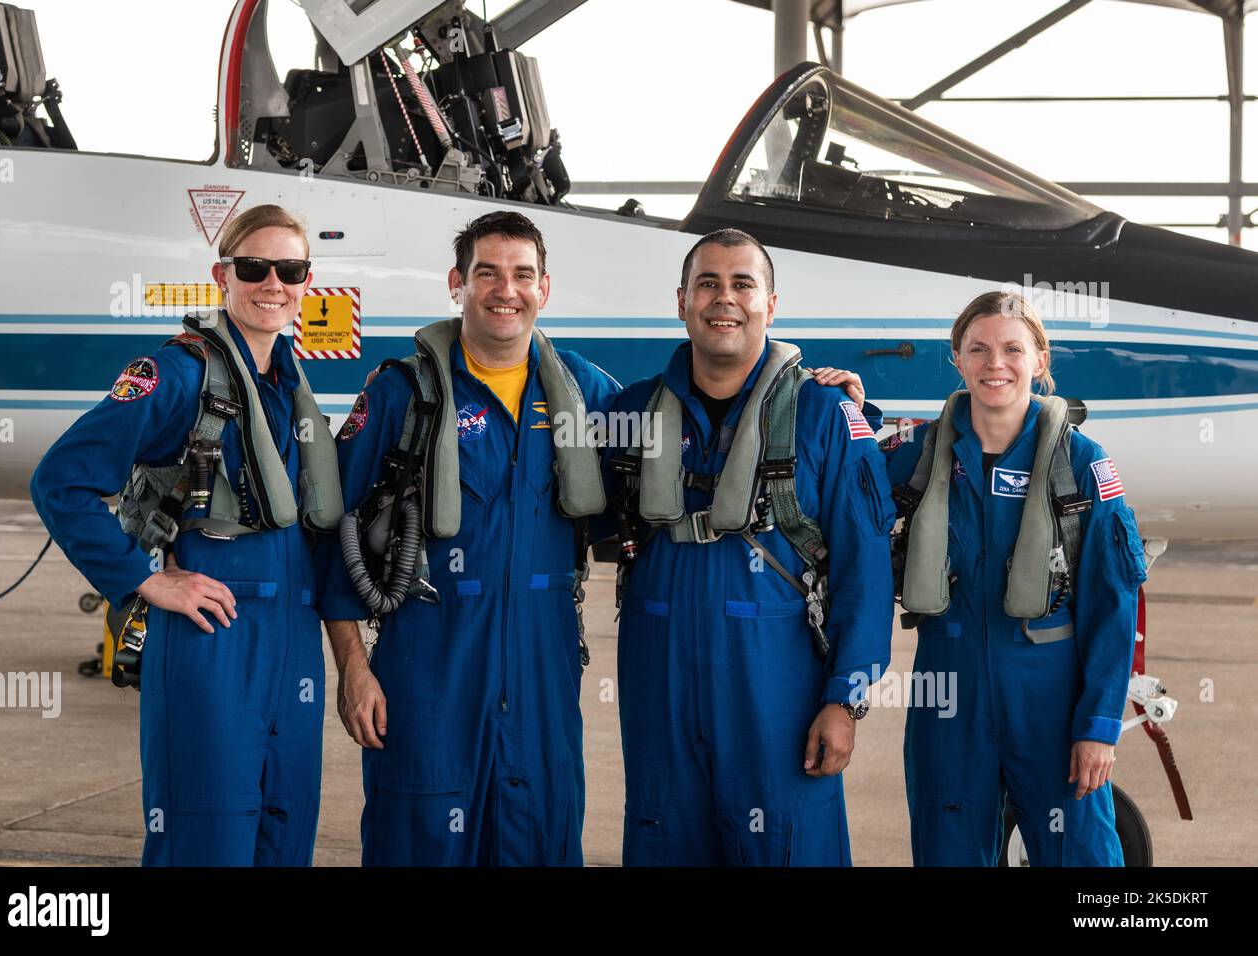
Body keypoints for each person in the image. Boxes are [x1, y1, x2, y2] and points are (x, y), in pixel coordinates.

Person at [30, 204, 340, 866]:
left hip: (294, 648)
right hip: (211, 643)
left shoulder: (291, 386)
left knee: (284, 841)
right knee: (206, 843)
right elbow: (60, 481)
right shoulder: (175, 374)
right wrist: (142, 580)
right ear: (222, 275)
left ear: (307, 282)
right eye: (253, 267)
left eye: (290, 270)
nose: (273, 283)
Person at [318, 211, 620, 866]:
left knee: (540, 836)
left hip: (543, 675)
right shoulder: (401, 396)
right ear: (458, 283)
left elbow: (686, 455)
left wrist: (815, 392)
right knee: (417, 840)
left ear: (544, 289)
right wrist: (353, 669)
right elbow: (337, 534)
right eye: (488, 273)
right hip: (427, 671)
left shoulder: (586, 393)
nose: (506, 290)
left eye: (523, 275)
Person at [605, 228, 895, 866]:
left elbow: (866, 574)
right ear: (681, 301)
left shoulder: (824, 417)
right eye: (707, 283)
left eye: (743, 284)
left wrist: (845, 700)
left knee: (788, 847)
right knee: (662, 843)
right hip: (658, 683)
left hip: (776, 689)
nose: (724, 299)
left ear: (771, 304)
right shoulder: (630, 415)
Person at [883, 290, 1147, 866]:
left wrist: (1099, 725)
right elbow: (842, 489)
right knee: (947, 853)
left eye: (1012, 349)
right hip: (946, 694)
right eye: (978, 349)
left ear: (1040, 360)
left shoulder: (1081, 464)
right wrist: (847, 407)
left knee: (1081, 855)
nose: (994, 363)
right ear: (957, 359)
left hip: (1050, 698)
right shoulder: (917, 455)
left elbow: (1114, 604)